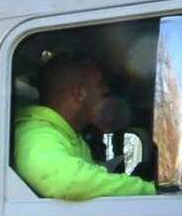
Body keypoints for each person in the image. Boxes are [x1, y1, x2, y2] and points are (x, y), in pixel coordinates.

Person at [13, 54, 157, 200]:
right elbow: (67, 181)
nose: (106, 91)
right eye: (100, 86)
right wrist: (150, 190)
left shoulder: (72, 136)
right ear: (80, 93)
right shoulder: (36, 135)